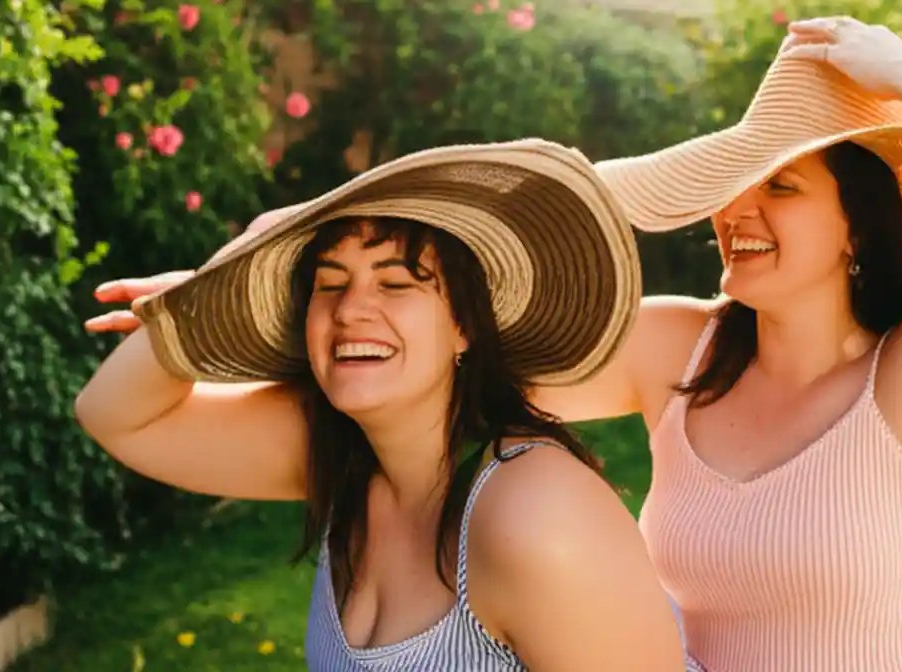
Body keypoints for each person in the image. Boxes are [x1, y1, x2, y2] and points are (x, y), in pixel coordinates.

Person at [90, 17, 902, 671]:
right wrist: (232, 294)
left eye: (780, 184)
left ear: (860, 221)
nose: (736, 210)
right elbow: (418, 372)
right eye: (728, 185)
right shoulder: (674, 349)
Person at [75, 139, 699, 671]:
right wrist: (209, 295)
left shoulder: (537, 511)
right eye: (330, 283)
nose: (351, 309)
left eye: (396, 283)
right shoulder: (343, 457)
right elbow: (113, 415)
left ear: (465, 326)